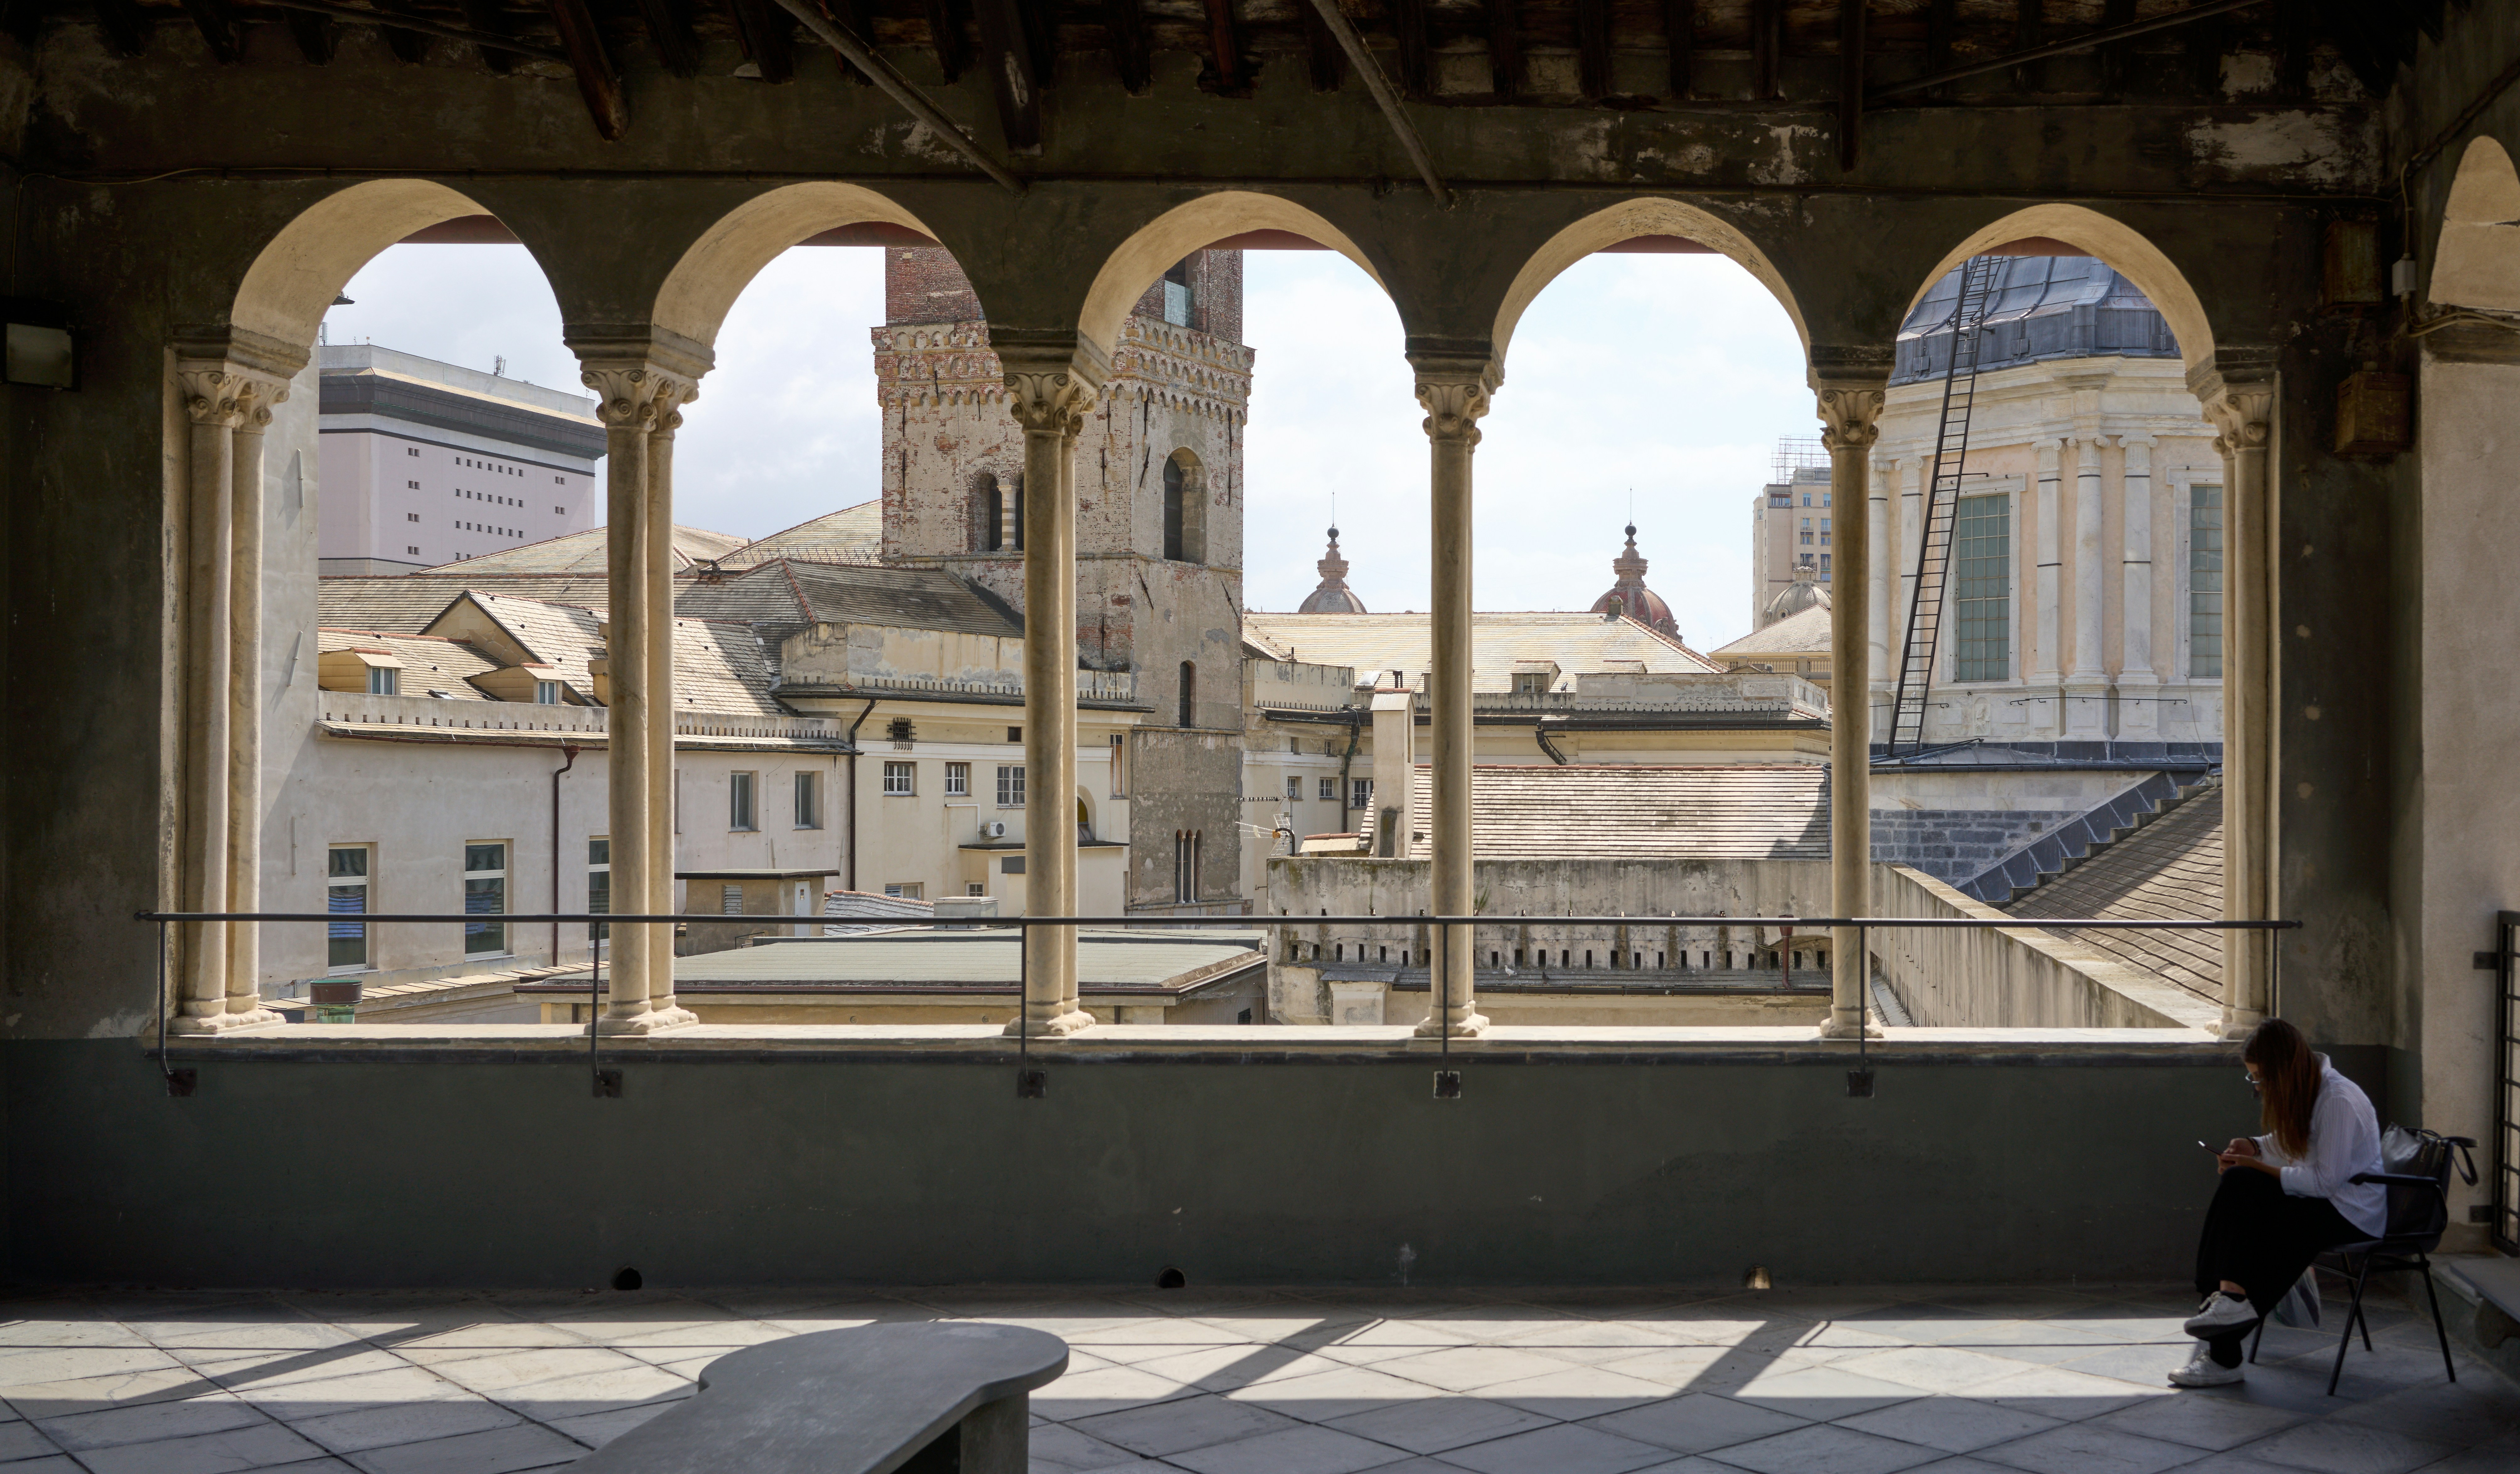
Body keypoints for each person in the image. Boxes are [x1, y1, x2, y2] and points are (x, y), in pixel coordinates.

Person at [2170, 1017, 2385, 1388]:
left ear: (2283, 1072)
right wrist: (2253, 1147)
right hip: (2327, 1201)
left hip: (2352, 1211)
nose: (2259, 1088)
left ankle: (2223, 1334)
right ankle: (2226, 1301)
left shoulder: (2337, 1100)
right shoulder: (2312, 1089)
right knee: (2241, 1188)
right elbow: (2294, 1141)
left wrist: (2256, 1166)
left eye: (2261, 1079)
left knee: (2257, 1211)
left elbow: (2323, 1182)